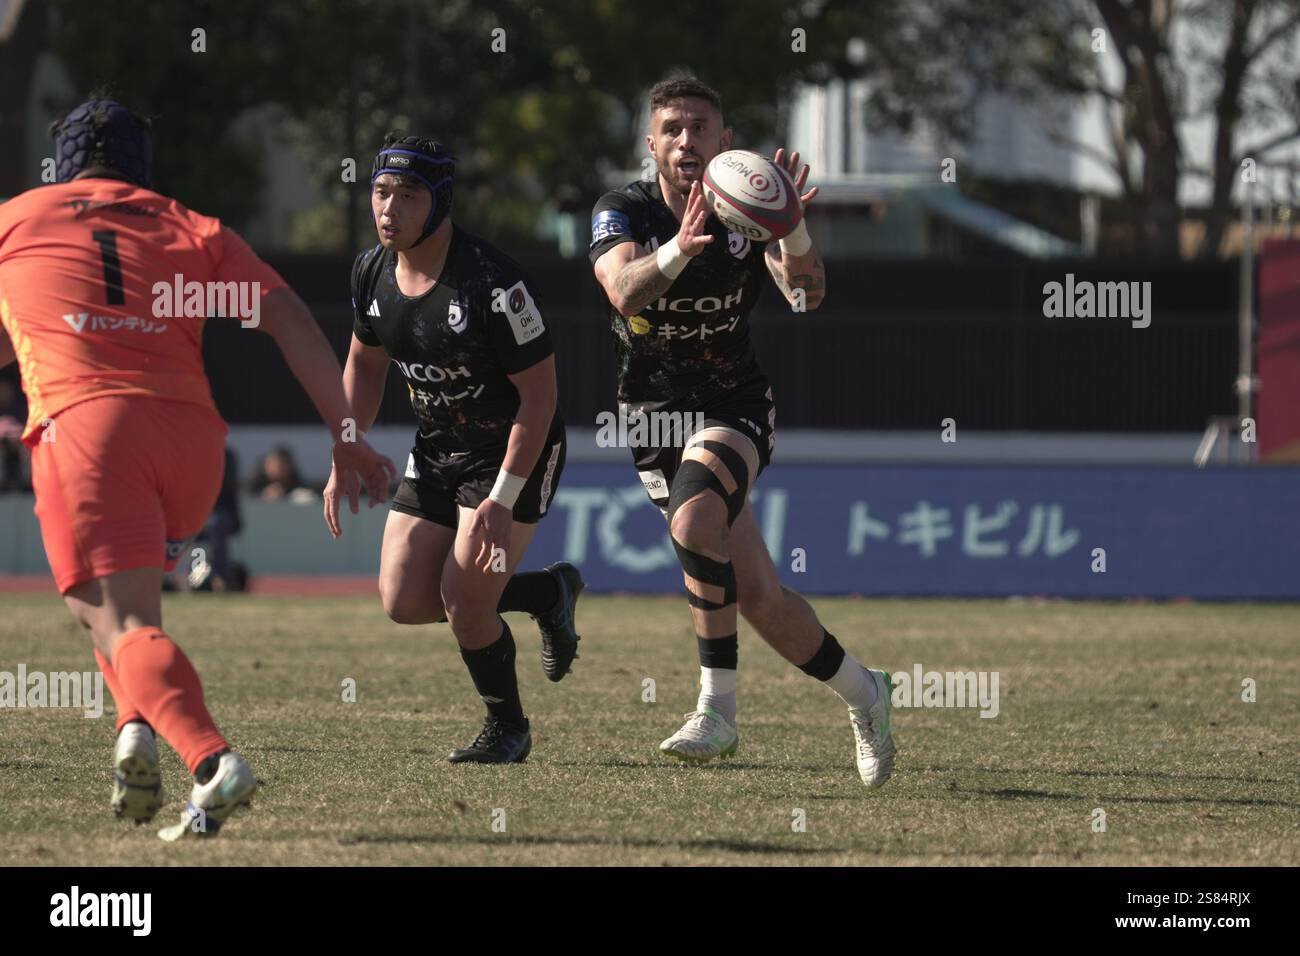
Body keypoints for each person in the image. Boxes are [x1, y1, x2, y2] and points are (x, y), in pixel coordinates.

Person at [0, 96, 397, 839]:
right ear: (142, 168)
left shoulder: (17, 217)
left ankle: (211, 761)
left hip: (90, 428)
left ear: (62, 164)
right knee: (134, 614)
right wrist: (347, 435)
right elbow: (289, 321)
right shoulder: (193, 227)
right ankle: (134, 734)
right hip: (192, 443)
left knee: (110, 616)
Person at [588, 77, 895, 787]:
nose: (687, 140)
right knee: (758, 598)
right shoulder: (623, 210)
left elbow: (806, 296)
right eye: (672, 128)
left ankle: (717, 710)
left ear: (726, 140)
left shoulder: (744, 213)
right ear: (651, 144)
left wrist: (794, 230)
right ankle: (867, 694)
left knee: (696, 522)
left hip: (734, 403)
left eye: (701, 126)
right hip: (655, 417)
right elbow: (621, 289)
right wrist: (680, 251)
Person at [325, 132, 582, 764]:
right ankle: (547, 594)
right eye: (381, 192)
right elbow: (364, 365)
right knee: (405, 602)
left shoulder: (494, 285)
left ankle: (509, 729)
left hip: (511, 452)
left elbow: (539, 401)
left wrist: (503, 498)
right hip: (438, 447)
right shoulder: (371, 271)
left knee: (467, 605)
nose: (389, 208)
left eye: (408, 195)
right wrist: (347, 449)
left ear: (440, 201)